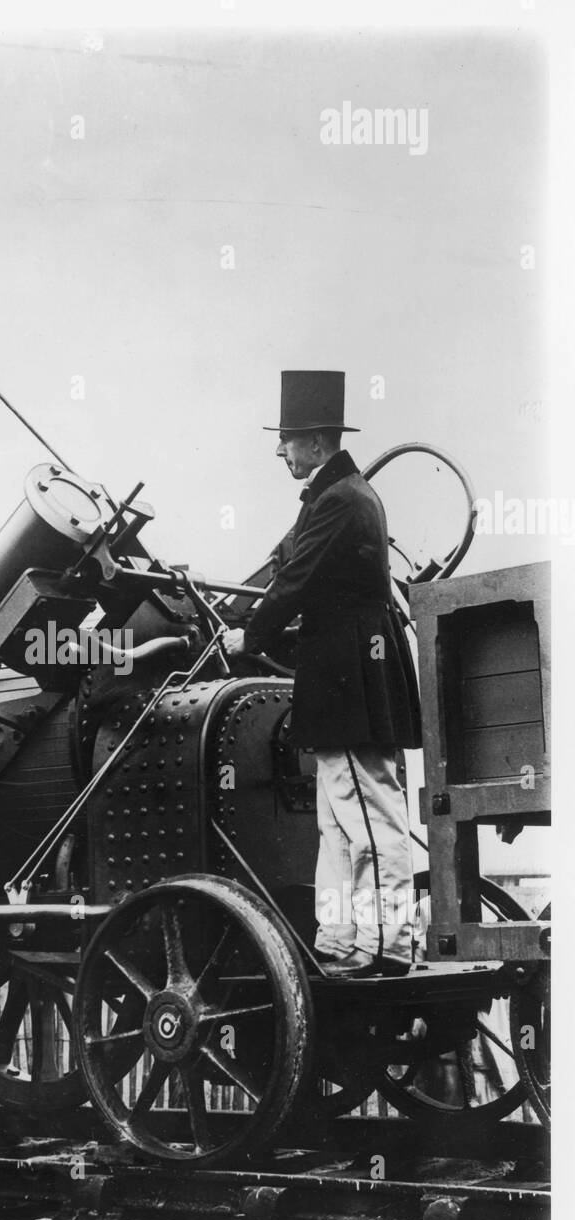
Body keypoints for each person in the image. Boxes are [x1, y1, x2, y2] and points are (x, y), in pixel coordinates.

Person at [223, 370, 422, 978]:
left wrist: (247, 635)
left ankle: (387, 945)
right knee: (337, 818)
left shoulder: (340, 501)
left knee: (366, 814)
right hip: (343, 674)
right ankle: (340, 940)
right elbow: (287, 565)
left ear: (314, 441)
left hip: (350, 674)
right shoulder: (335, 497)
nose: (280, 450)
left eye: (286, 439)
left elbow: (295, 580)